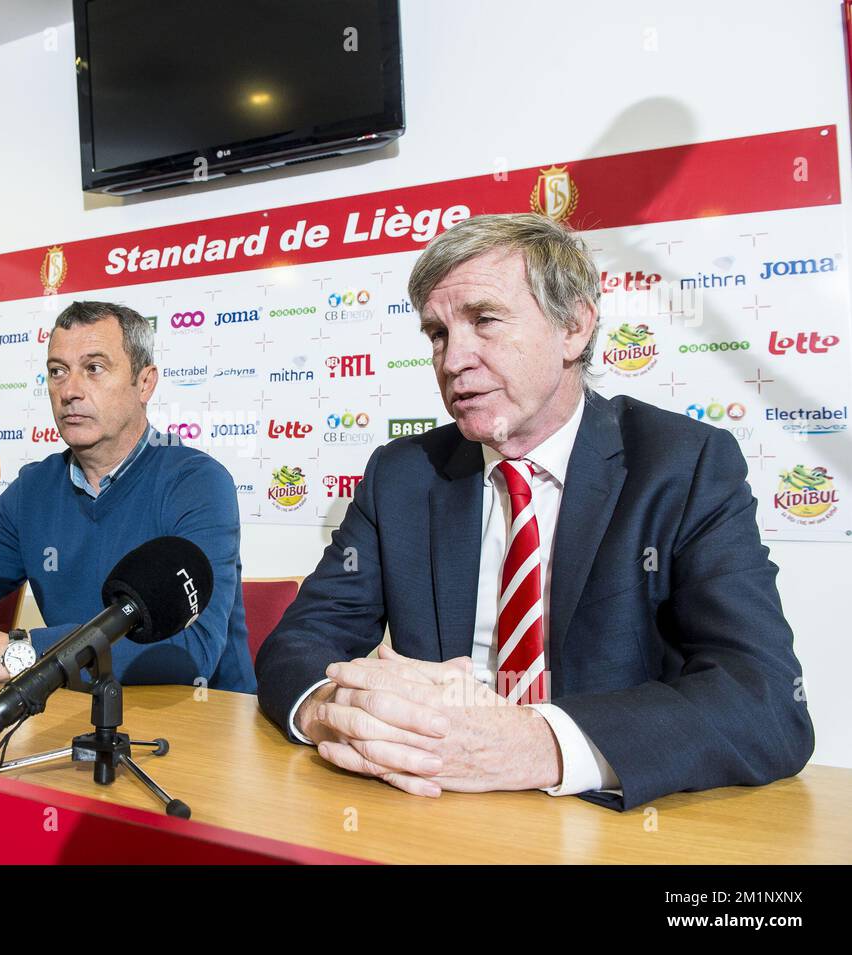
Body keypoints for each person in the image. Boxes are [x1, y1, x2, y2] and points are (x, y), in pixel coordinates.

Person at [255, 212, 813, 810]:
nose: (452, 360)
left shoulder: (683, 463)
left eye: (485, 321)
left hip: (605, 824)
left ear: (573, 327)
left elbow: (765, 698)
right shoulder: (403, 473)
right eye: (437, 334)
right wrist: (334, 712)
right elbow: (304, 639)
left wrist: (535, 744)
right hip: (427, 805)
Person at [0, 301, 255, 693]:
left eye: (94, 368)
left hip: (201, 722)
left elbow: (191, 650)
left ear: (144, 383)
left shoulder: (197, 482)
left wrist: (13, 654)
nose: (70, 391)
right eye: (57, 372)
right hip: (73, 712)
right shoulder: (33, 489)